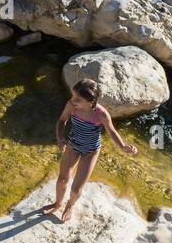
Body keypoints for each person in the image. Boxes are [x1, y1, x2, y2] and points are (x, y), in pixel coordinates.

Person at [47, 78, 137, 224]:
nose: (73, 100)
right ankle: (57, 203)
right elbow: (61, 121)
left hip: (90, 152)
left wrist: (123, 146)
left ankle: (70, 205)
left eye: (78, 98)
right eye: (73, 95)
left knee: (76, 190)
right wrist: (60, 138)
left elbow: (112, 132)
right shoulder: (72, 106)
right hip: (73, 145)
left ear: (91, 101)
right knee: (62, 179)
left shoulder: (101, 114)